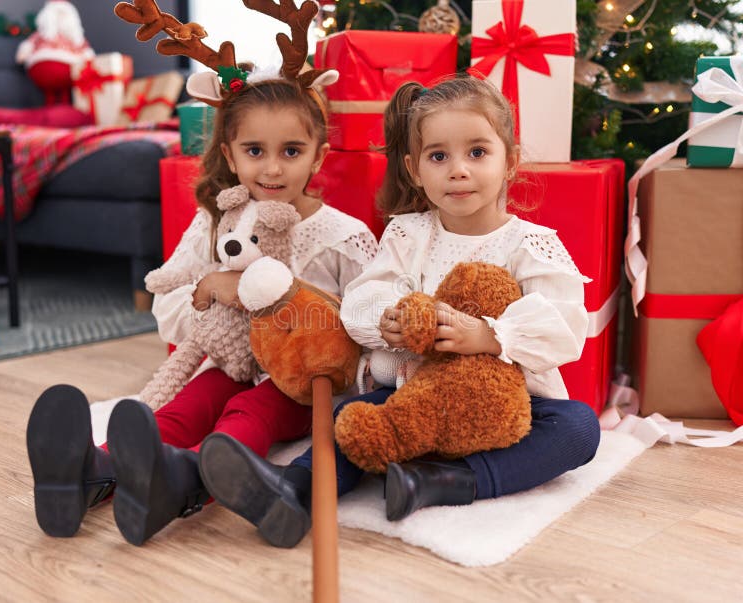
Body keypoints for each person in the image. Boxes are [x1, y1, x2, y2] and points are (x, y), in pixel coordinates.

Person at [199, 75, 601, 548]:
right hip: (413, 397)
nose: (458, 170)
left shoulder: (529, 244)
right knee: (347, 421)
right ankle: (296, 489)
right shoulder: (408, 235)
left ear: (510, 161)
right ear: (414, 169)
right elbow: (362, 301)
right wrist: (387, 322)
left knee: (578, 427)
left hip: (506, 408)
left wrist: (492, 336)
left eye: (477, 152)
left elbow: (566, 326)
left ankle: (441, 481)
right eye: (438, 156)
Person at [25, 76, 378, 545]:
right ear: (230, 156)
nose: (273, 168)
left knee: (250, 408)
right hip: (233, 362)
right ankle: (95, 470)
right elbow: (168, 301)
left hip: (300, 383)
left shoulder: (343, 235)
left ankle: (186, 480)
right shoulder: (219, 220)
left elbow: (369, 320)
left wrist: (273, 302)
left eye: (291, 151)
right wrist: (213, 297)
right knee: (191, 402)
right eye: (255, 151)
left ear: (319, 155)